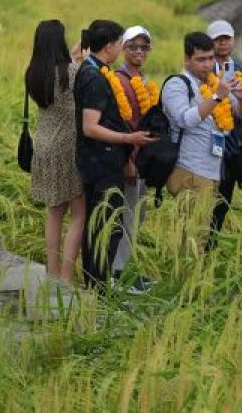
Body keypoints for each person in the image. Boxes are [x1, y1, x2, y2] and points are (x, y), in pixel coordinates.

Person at [74, 19, 155, 288]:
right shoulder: (95, 77)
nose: (123, 49)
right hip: (101, 163)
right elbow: (90, 127)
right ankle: (97, 285)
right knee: (105, 226)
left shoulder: (96, 70)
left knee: (104, 224)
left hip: (103, 160)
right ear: (110, 46)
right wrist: (127, 138)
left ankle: (97, 282)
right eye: (122, 43)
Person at [163, 32, 242, 243]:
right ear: (186, 59)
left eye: (211, 58)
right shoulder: (177, 84)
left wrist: (240, 97)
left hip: (212, 171)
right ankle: (185, 276)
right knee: (192, 238)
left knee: (200, 235)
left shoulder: (214, 83)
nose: (207, 64)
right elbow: (186, 119)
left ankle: (194, 275)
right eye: (200, 59)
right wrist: (216, 97)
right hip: (189, 169)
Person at [25, 20, 86, 282]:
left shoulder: (33, 72)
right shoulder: (71, 73)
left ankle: (50, 271)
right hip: (68, 147)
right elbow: (78, 90)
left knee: (54, 210)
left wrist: (74, 59)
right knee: (79, 214)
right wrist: (80, 61)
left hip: (44, 146)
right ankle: (66, 275)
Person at [112, 25, 159, 275]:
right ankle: (115, 272)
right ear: (122, 49)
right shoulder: (118, 81)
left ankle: (122, 269)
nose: (139, 51)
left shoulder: (142, 80)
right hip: (128, 160)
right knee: (126, 217)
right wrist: (126, 162)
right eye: (133, 46)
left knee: (136, 216)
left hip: (142, 159)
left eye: (144, 47)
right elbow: (119, 124)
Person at [204, 19, 242, 241]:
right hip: (208, 138)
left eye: (226, 39)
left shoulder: (238, 67)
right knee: (207, 197)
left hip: (231, 138)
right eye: (217, 39)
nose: (222, 44)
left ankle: (211, 243)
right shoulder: (203, 67)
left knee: (224, 195)